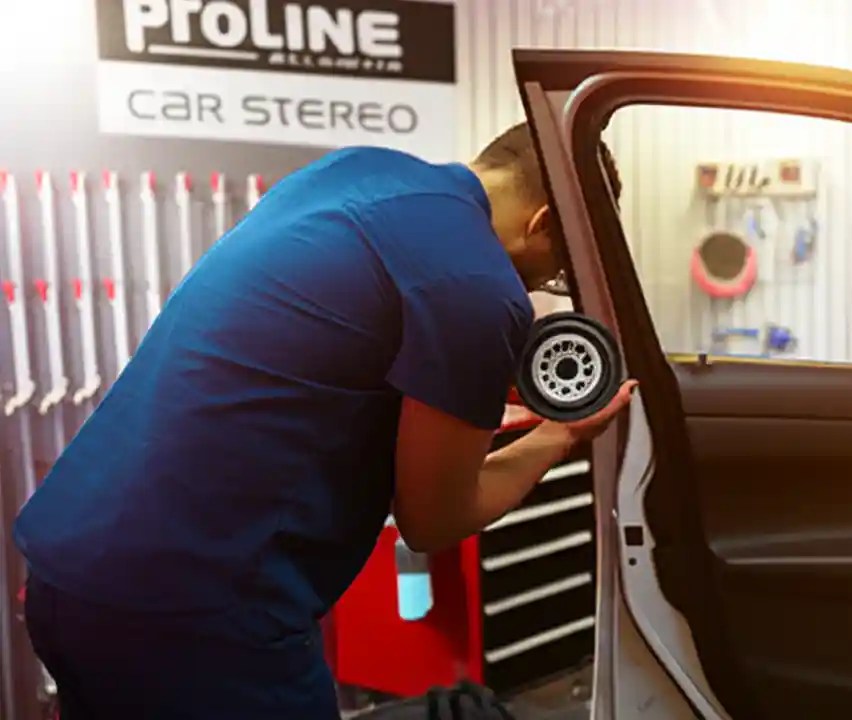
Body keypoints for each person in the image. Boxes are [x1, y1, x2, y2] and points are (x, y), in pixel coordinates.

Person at [12, 124, 633, 719]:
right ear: (544, 223)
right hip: (193, 615)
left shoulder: (356, 170)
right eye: (559, 267)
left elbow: (327, 341)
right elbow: (434, 519)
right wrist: (560, 436)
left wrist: (475, 371)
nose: (545, 285)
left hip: (71, 573)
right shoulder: (477, 284)